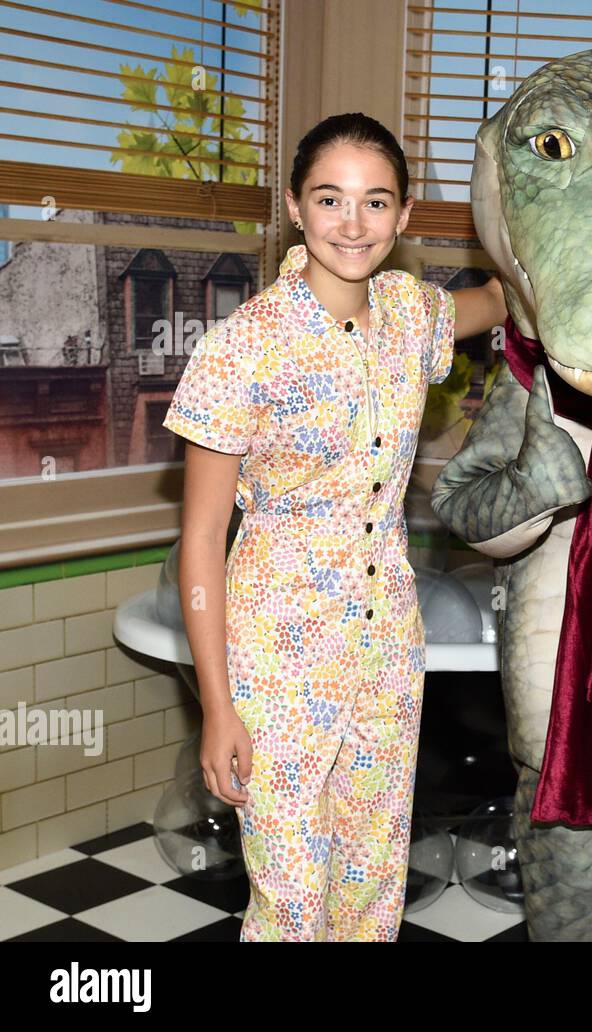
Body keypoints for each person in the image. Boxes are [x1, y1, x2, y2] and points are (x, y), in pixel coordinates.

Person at [162, 112, 506, 941]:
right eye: (330, 199)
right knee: (289, 900)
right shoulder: (242, 347)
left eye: (376, 202)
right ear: (294, 206)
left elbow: (497, 298)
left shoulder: (410, 314)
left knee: (373, 882)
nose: (353, 224)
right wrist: (217, 706)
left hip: (388, 648)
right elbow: (201, 543)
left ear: (405, 213)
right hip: (276, 659)